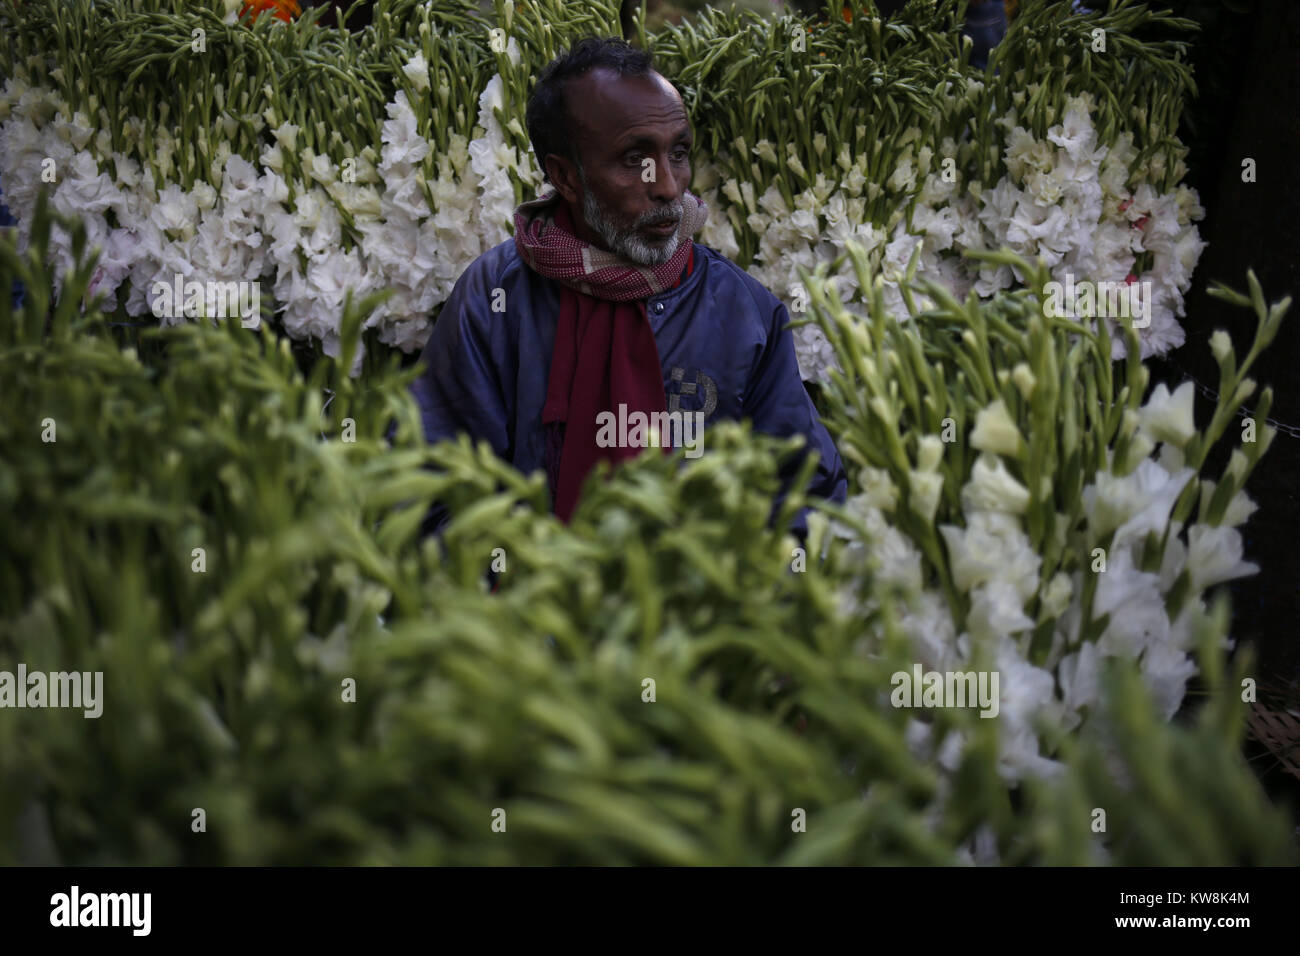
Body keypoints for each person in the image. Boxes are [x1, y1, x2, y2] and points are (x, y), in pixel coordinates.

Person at [410, 36, 847, 538]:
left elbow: (804, 496)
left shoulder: (744, 312)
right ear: (565, 177)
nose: (667, 186)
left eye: (678, 153)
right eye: (634, 159)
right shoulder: (494, 300)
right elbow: (433, 492)